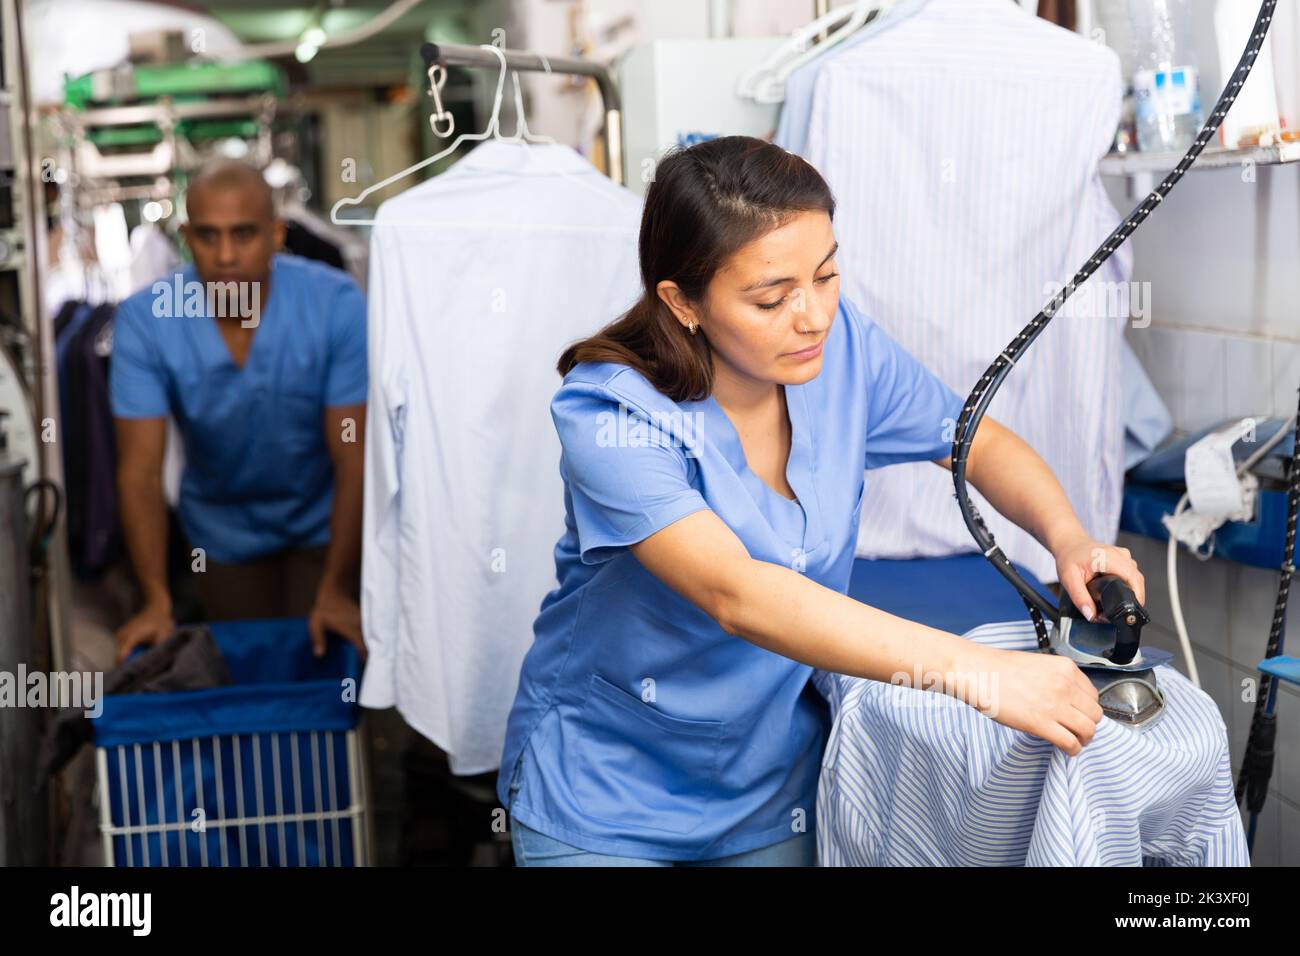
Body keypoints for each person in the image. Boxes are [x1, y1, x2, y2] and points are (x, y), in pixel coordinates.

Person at [498, 136, 1146, 867]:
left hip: (771, 790)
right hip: (603, 793)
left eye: (828, 274)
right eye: (772, 297)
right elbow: (736, 593)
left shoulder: (844, 352)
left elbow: (977, 443)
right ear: (682, 302)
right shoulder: (609, 414)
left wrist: (1069, 538)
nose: (812, 316)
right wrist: (981, 673)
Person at [109, 159, 367, 663]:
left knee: (329, 676)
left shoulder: (335, 304)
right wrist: (156, 599)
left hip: (323, 524)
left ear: (276, 233)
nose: (225, 254)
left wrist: (337, 586)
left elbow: (353, 456)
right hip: (219, 537)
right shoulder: (146, 321)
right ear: (185, 236)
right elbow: (138, 471)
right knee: (249, 672)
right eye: (208, 236)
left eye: (243, 234)